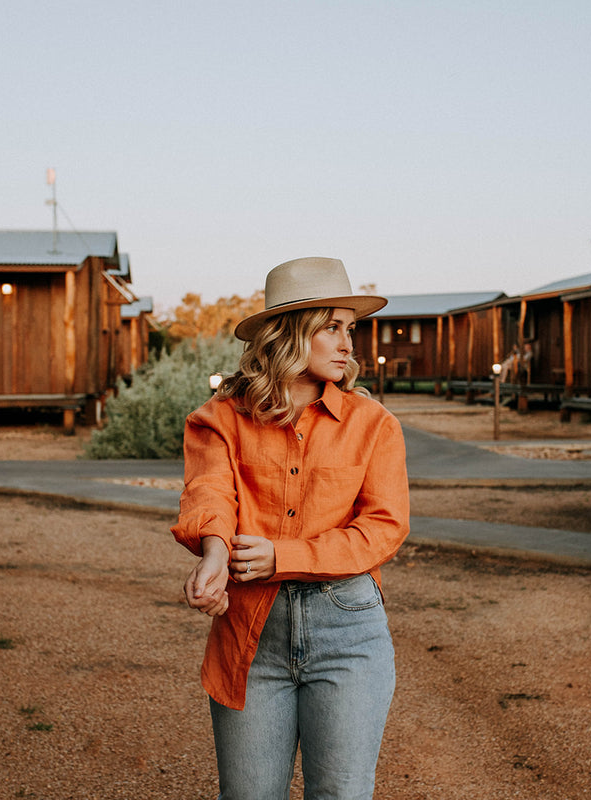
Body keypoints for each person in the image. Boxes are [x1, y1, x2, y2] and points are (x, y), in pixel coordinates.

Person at [171, 256, 410, 799]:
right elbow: (210, 491)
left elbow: (384, 527)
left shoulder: (374, 425)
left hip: (348, 630)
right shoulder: (220, 418)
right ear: (289, 334)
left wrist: (283, 556)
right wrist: (215, 554)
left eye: (350, 329)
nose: (348, 344)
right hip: (250, 633)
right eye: (332, 328)